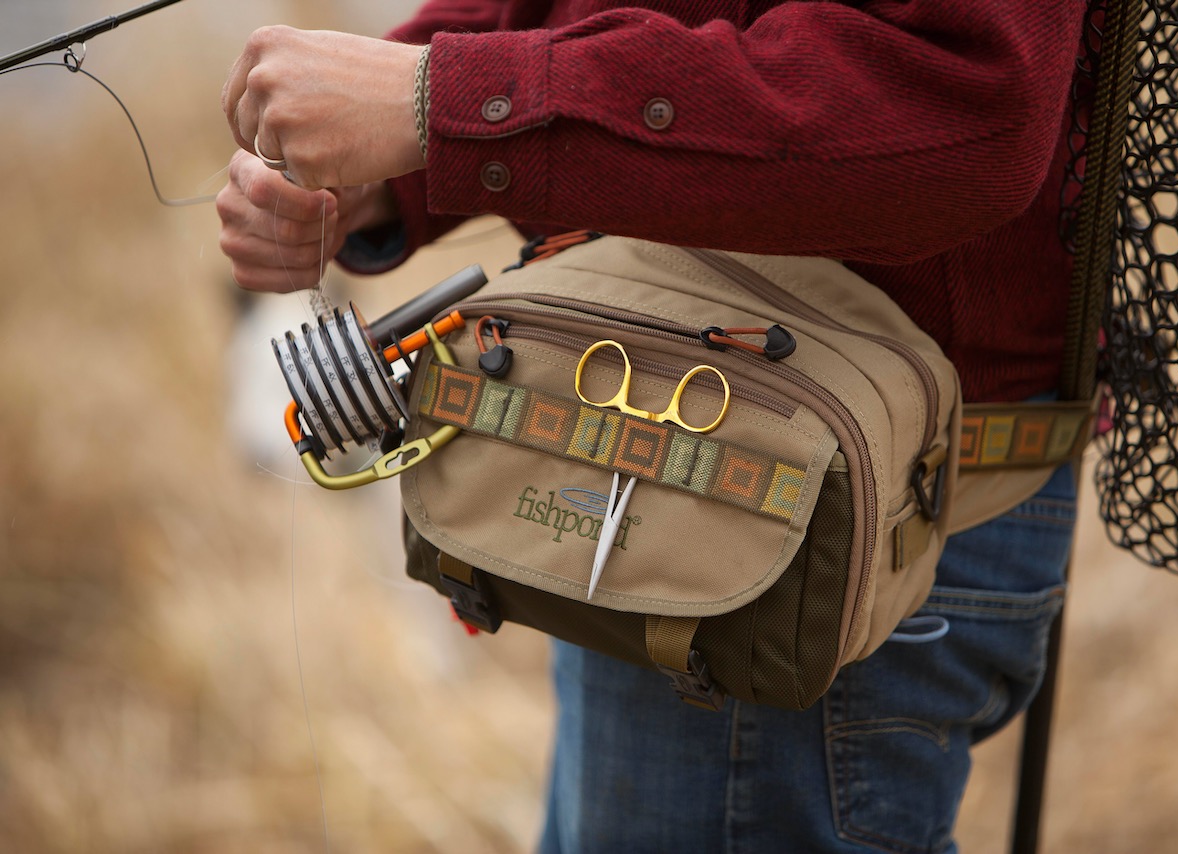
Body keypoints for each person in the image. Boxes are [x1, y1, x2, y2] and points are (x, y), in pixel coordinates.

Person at [217, 2, 1089, 850]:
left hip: (812, 541)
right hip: (659, 490)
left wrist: (447, 102)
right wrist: (392, 164)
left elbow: (960, 94)